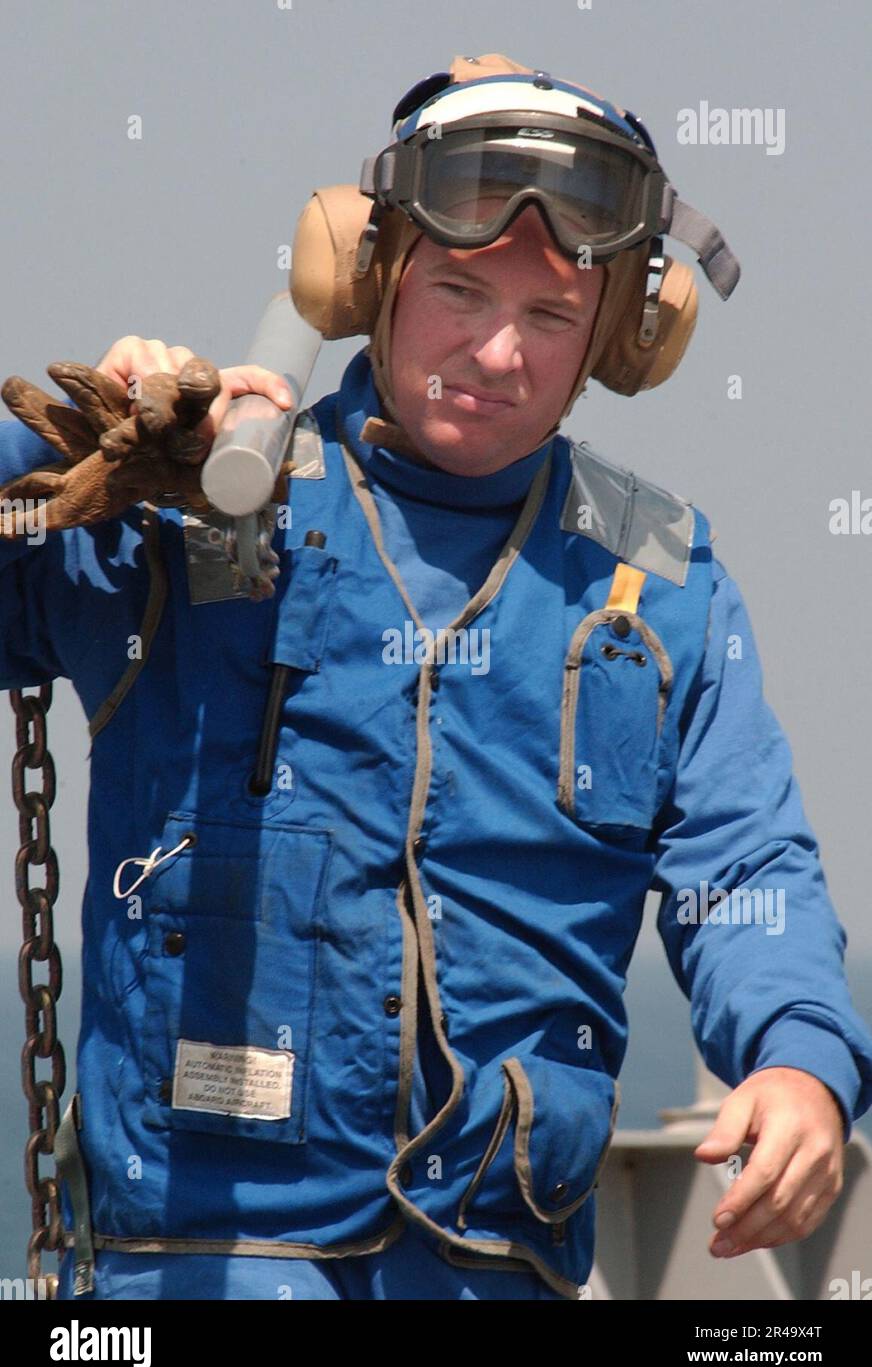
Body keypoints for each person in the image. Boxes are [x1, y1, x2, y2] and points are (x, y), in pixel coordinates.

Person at [1, 52, 870, 1302]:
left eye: (553, 315)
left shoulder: (662, 592)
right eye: (459, 289)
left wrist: (797, 1057)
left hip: (495, 1272)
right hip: (190, 1277)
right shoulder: (180, 510)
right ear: (372, 279)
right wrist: (46, 447)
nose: (499, 351)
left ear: (616, 343)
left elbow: (745, 868)